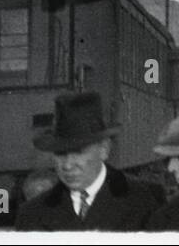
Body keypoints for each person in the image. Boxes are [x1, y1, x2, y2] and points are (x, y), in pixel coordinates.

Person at [16, 91, 161, 231]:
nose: (67, 165)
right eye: (60, 154)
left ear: (104, 149)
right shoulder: (31, 215)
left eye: (78, 152)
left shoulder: (143, 202)